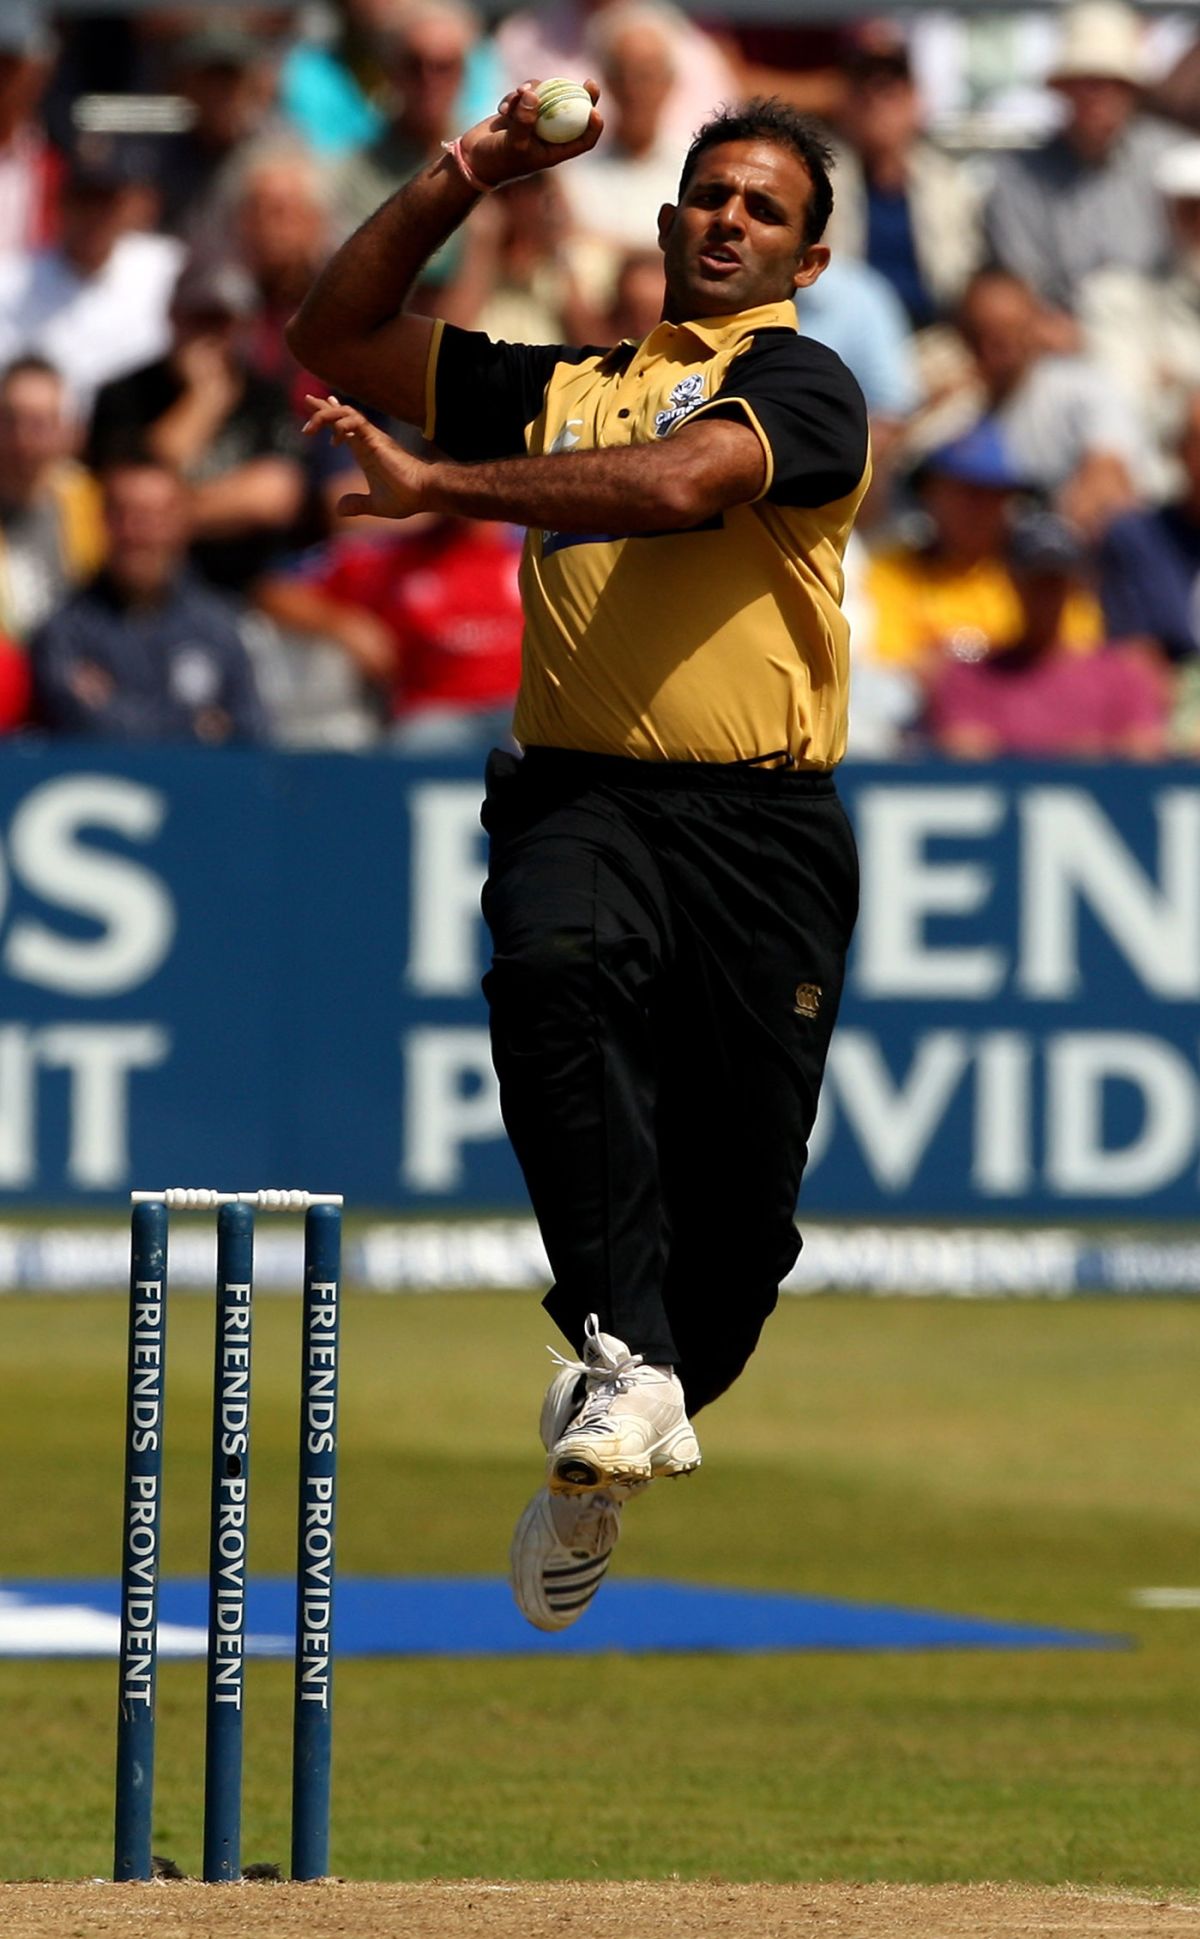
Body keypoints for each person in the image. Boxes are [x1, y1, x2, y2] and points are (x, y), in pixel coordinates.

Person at [287, 89, 869, 1630]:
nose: (729, 217)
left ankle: (604, 1435)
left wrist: (441, 486)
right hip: (583, 796)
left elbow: (679, 490)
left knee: (739, 1232)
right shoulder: (566, 382)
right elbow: (336, 334)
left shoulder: (807, 385)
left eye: (763, 206)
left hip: (764, 829)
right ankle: (617, 1349)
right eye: (708, 195)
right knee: (553, 971)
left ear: (805, 258)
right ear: (667, 224)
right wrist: (466, 171)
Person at [31, 458, 266, 743]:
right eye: (123, 515)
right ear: (102, 522)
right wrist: (199, 727)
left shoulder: (219, 627)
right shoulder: (64, 629)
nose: (137, 533)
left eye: (154, 516)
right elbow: (86, 726)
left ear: (183, 524)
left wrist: (113, 705)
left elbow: (251, 734)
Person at [926, 511, 1168, 758]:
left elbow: (1142, 753)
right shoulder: (970, 677)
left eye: (1055, 580)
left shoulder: (1121, 677)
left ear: (1073, 584)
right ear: (1011, 581)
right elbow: (965, 754)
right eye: (1035, 579)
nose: (1046, 593)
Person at [0, 354, 105, 643]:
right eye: (10, 420)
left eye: (39, 424)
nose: (22, 438)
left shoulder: (96, 504)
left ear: (70, 432)